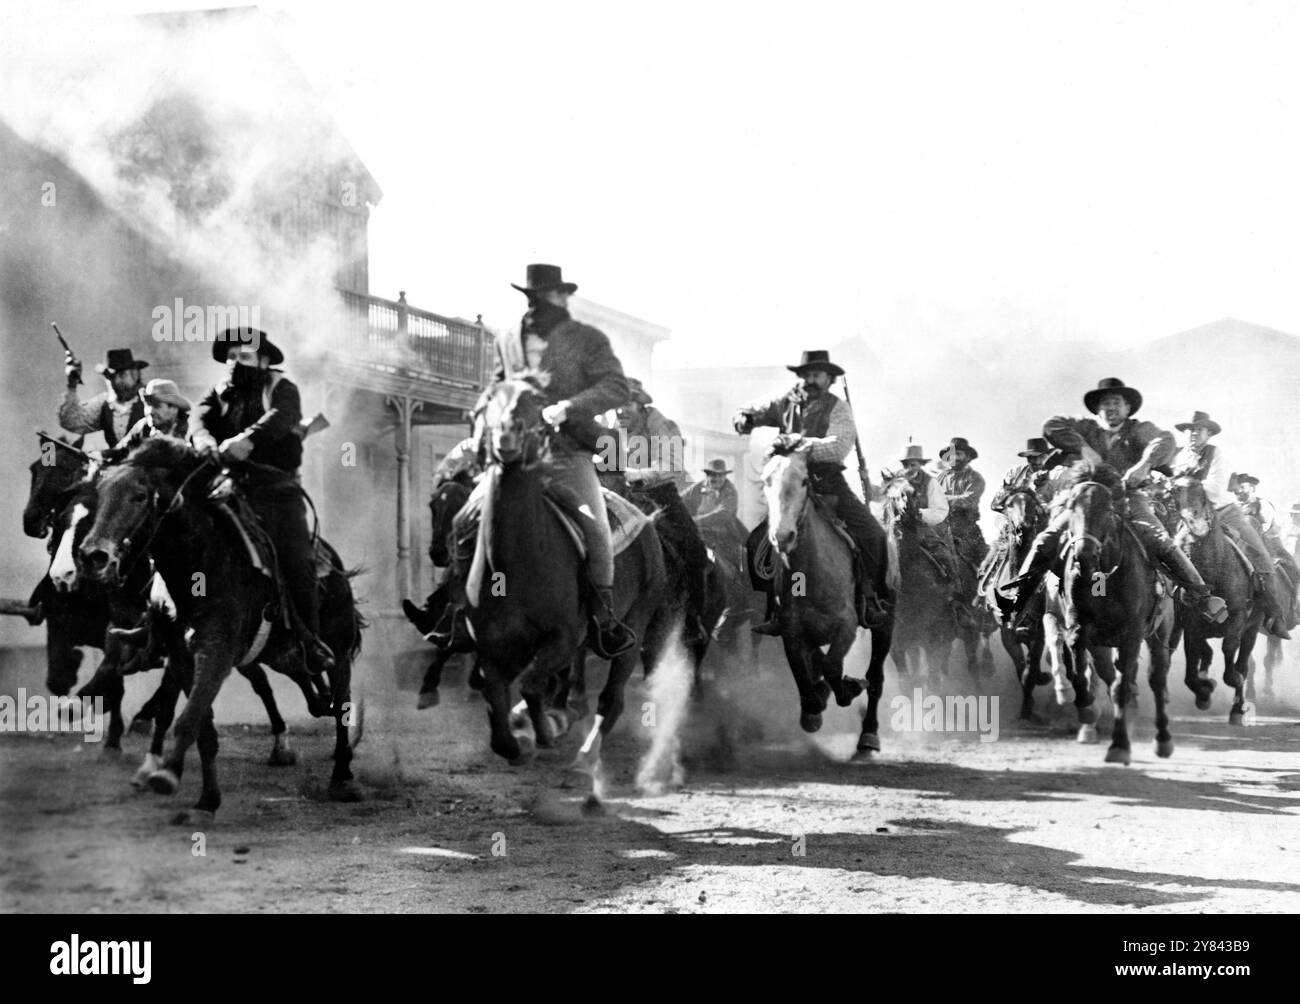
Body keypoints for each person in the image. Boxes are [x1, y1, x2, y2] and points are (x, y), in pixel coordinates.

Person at [448, 264, 638, 659]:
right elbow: (496, 386)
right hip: (513, 458)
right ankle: (459, 612)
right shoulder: (507, 339)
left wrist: (567, 408)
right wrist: (482, 419)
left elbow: (615, 386)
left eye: (554, 296)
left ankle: (603, 617)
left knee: (596, 527)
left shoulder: (586, 340)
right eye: (541, 296)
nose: (549, 303)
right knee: (461, 520)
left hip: (566, 453)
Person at [1000, 377, 1225, 622]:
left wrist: (1144, 464)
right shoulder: (1085, 428)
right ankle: (1018, 599)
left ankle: (1201, 596)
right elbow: (1051, 425)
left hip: (1127, 497)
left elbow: (1166, 440)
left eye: (1117, 402)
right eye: (1106, 403)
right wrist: (1083, 447)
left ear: (1128, 408)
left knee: (1160, 538)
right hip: (1085, 500)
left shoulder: (1139, 429)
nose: (1111, 408)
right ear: (1097, 409)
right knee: (1046, 539)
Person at [189, 327, 335, 676]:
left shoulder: (282, 389)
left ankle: (309, 641)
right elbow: (197, 420)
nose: (237, 363)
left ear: (264, 360)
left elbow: (282, 418)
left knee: (297, 559)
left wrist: (247, 440)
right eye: (232, 357)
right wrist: (203, 441)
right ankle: (173, 620)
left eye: (245, 356)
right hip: (227, 487)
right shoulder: (218, 393)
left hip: (275, 490)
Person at [734, 350, 890, 632]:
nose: (809, 380)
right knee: (759, 541)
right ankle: (783, 605)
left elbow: (839, 446)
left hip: (827, 483)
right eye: (806, 374)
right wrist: (744, 417)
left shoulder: (838, 408)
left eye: (816, 375)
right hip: (790, 487)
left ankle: (871, 597)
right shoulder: (786, 401)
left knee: (874, 535)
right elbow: (756, 408)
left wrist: (802, 445)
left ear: (829, 379)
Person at [1170, 411, 1287, 633]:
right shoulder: (1179, 457)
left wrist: (1186, 484)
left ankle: (1274, 613)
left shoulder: (1217, 455)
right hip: (1190, 515)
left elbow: (1214, 489)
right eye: (1190, 429)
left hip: (1224, 512)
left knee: (1261, 555)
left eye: (1199, 429)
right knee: (1168, 550)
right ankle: (1168, 608)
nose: (1193, 433)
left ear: (1209, 433)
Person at [58, 348, 148, 448]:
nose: (117, 381)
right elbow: (71, 422)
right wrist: (72, 383)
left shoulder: (150, 400)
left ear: (135, 374)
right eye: (111, 377)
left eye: (122, 375)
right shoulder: (103, 404)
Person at [614, 378, 689, 490]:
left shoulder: (662, 426)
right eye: (616, 404)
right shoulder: (618, 427)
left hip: (673, 492)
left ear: (639, 405)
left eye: (627, 404)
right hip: (638, 493)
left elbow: (672, 466)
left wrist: (637, 474)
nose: (620, 411)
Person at [99, 379, 191, 463]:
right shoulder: (143, 427)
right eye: (147, 405)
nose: (150, 411)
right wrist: (99, 455)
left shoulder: (190, 430)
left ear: (174, 408)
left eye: (157, 406)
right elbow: (120, 451)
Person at [935, 437, 988, 574]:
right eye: (951, 454)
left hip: (966, 531)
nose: (954, 457)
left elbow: (968, 501)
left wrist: (941, 499)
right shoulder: (940, 478)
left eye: (958, 454)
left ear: (968, 457)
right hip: (939, 530)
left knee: (986, 567)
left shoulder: (975, 477)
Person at [990, 438, 1055, 512]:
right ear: (1027, 458)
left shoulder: (1057, 476)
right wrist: (1011, 491)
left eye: (1041, 457)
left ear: (1048, 457)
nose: (1036, 461)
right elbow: (995, 503)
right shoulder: (1014, 472)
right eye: (1031, 457)